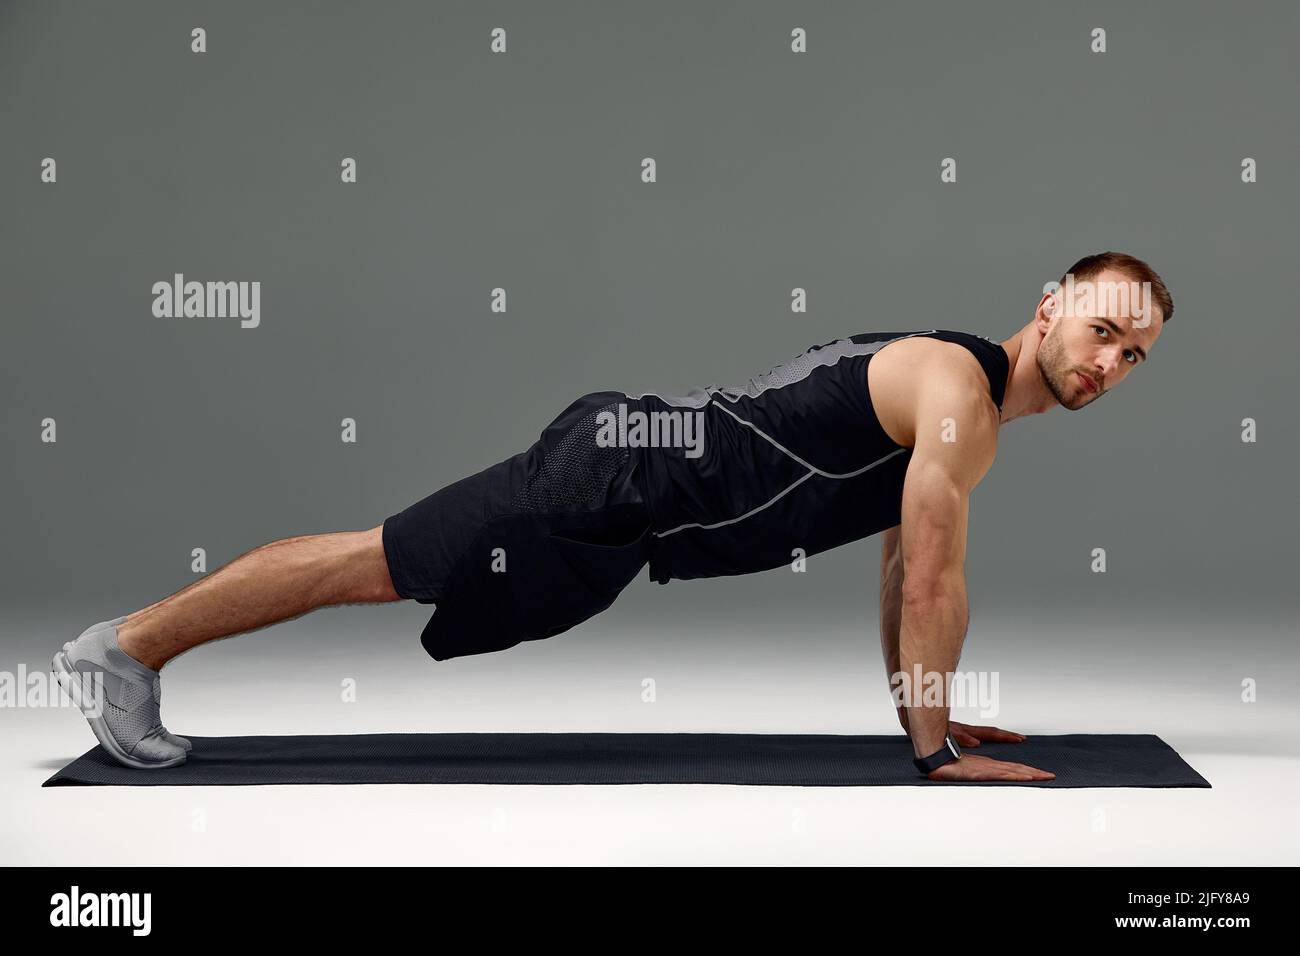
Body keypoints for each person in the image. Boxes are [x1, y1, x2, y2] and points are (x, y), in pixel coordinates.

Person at [54, 251, 1172, 780]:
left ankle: (130, 648)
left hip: (627, 499)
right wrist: (933, 757)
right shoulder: (958, 399)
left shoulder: (953, 399)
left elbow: (895, 577)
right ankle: (129, 647)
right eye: (1101, 331)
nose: (1110, 361)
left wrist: (925, 709)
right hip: (621, 483)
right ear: (1049, 306)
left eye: (1134, 353)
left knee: (380, 561)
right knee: (377, 561)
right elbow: (930, 580)